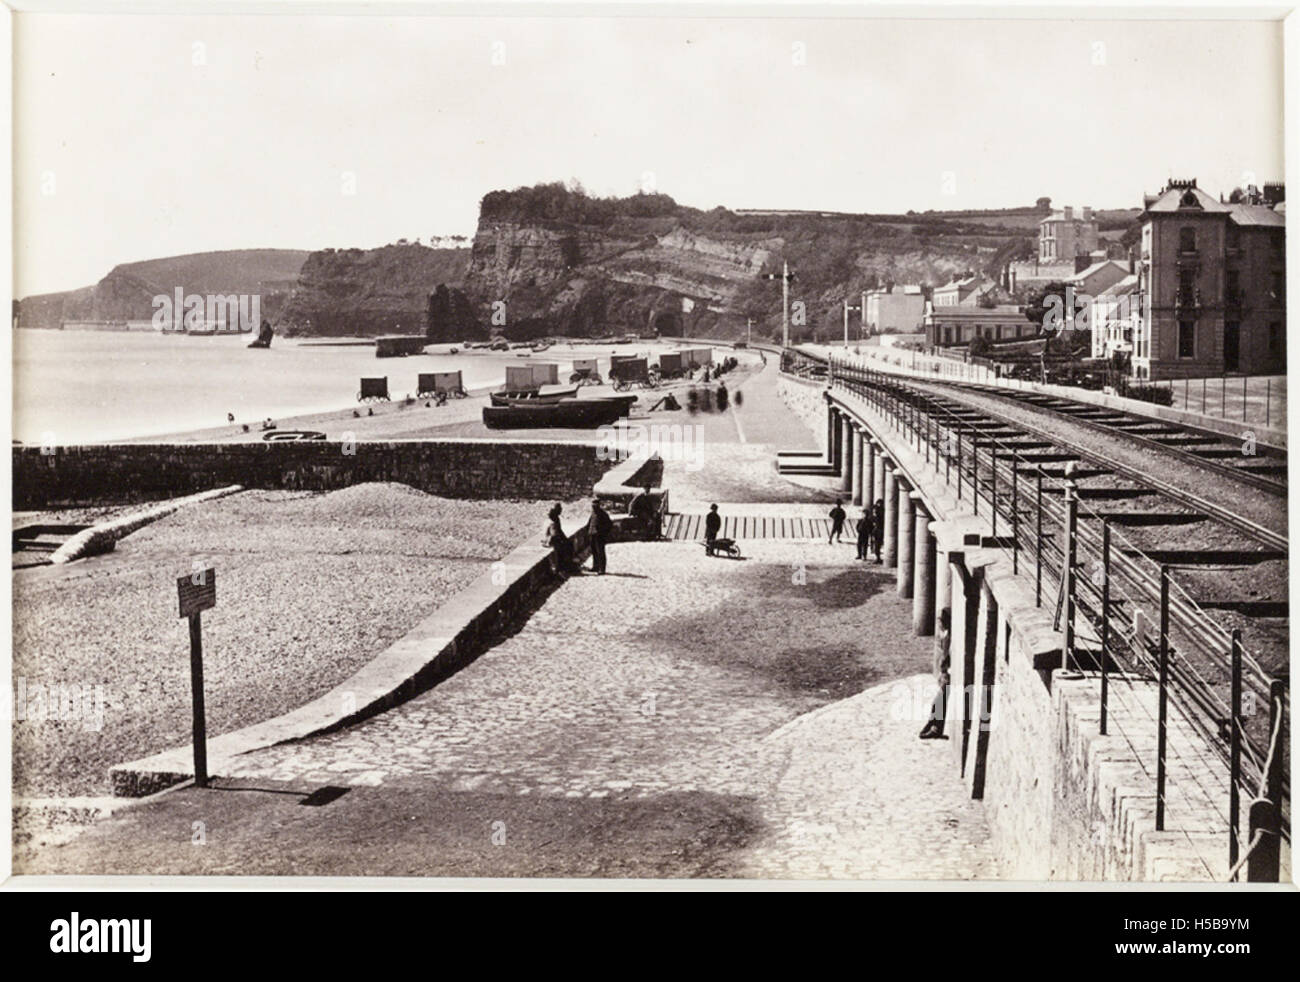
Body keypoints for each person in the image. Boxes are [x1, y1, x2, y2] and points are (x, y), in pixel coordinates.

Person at [920, 609, 952, 739]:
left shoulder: (949, 637)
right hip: (945, 673)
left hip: (949, 674)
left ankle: (935, 728)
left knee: (938, 703)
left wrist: (945, 672)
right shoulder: (946, 635)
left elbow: (947, 656)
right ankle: (935, 728)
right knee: (939, 703)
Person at [544, 503, 579, 576]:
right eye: (560, 510)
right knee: (561, 549)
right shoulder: (552, 521)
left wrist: (565, 539)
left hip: (555, 538)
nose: (561, 511)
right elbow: (554, 534)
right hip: (550, 540)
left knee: (569, 545)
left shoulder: (556, 518)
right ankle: (560, 569)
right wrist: (562, 540)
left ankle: (568, 565)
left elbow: (559, 531)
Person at [587, 499, 613, 574]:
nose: (593, 507)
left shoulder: (603, 514)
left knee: (600, 552)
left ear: (598, 505)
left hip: (599, 536)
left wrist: (603, 533)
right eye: (592, 505)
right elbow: (589, 523)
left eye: (595, 505)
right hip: (592, 535)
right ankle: (595, 566)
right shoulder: (593, 513)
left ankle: (602, 569)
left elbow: (609, 525)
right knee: (594, 551)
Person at [869, 497, 885, 562]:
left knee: (877, 544)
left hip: (879, 531)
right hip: (875, 530)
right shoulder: (874, 516)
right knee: (875, 543)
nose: (874, 512)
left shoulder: (880, 515)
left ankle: (877, 558)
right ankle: (876, 555)